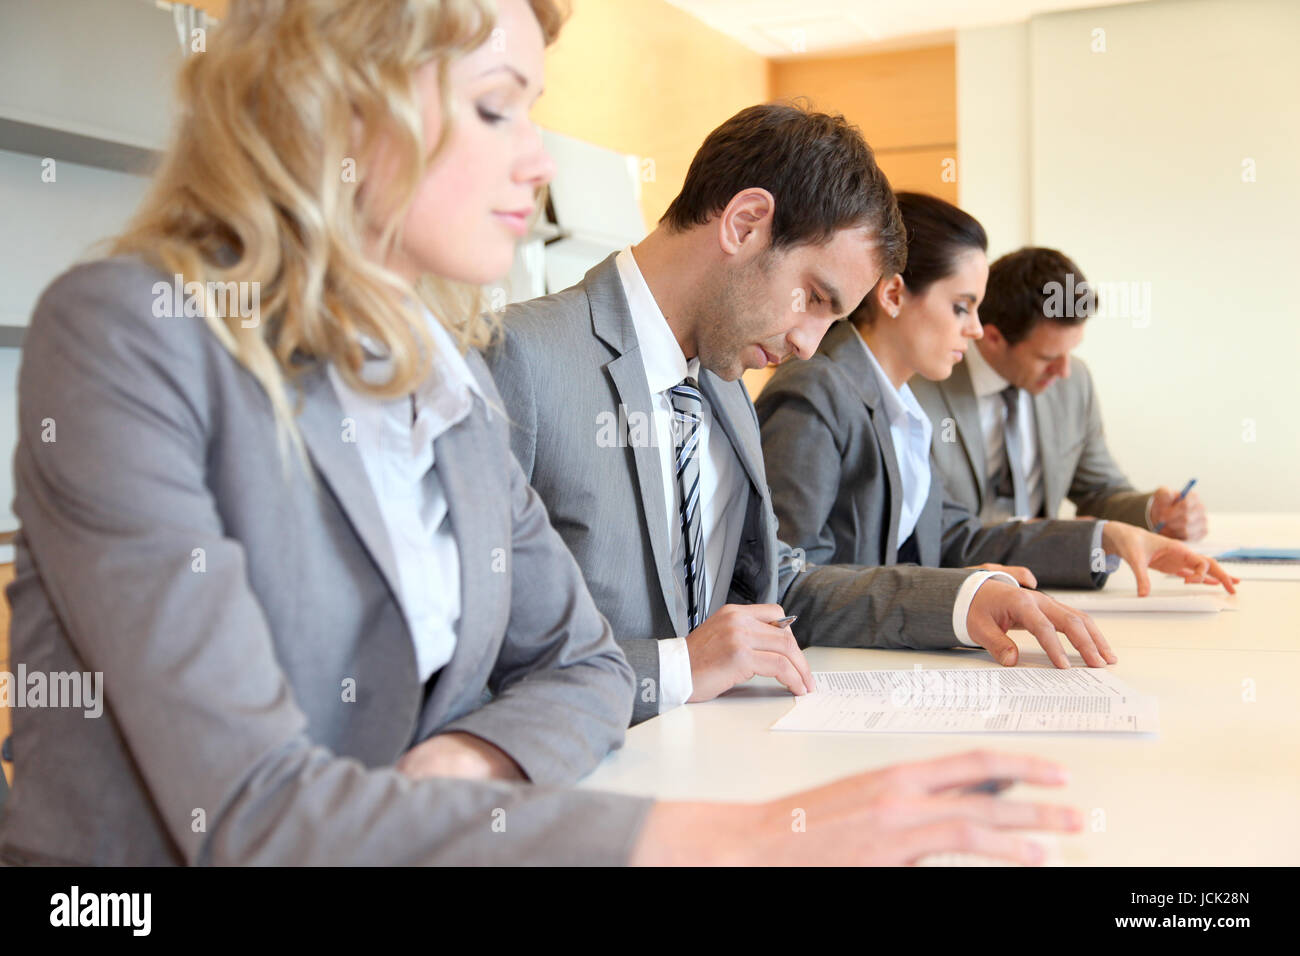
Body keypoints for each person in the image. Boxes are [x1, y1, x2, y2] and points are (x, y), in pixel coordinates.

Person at [0, 0, 1082, 868]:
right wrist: (743, 837)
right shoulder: (128, 335)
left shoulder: (434, 368)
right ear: (337, 105)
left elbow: (580, 664)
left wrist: (463, 765)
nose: (536, 164)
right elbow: (247, 810)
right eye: (495, 110)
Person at [484, 103, 1120, 733]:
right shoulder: (518, 359)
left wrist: (966, 598)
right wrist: (677, 667)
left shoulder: (723, 381)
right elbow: (471, 662)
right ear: (746, 223)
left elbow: (778, 590)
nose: (811, 345)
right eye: (814, 298)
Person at [755, 193, 1234, 600]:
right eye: (961, 306)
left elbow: (955, 538)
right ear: (894, 296)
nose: (977, 329)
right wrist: (951, 597)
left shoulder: (896, 402)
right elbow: (787, 585)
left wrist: (1104, 536)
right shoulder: (816, 392)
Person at [910, 245, 1209, 541]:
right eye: (1047, 357)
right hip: (962, 575)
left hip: (1048, 575)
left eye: (1071, 351)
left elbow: (1098, 491)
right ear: (992, 338)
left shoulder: (1074, 383)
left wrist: (1153, 512)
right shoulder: (920, 386)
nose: (1064, 370)